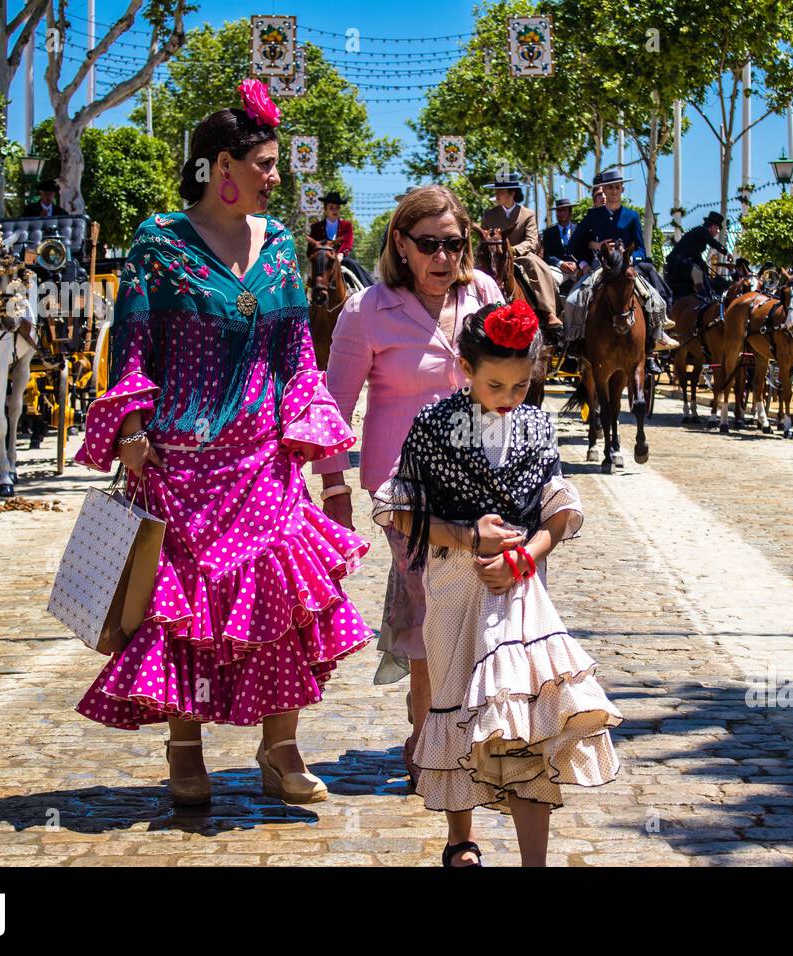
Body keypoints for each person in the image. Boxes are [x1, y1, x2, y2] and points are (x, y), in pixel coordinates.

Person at [71, 78, 372, 807]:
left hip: (265, 460)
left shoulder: (280, 250)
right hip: (179, 459)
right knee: (182, 611)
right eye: (264, 164)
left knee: (281, 603)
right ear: (220, 168)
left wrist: (326, 465)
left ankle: (282, 749)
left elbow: (298, 354)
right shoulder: (159, 243)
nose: (276, 177)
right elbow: (134, 344)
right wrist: (133, 428)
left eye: (274, 164)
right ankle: (185, 751)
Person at [372, 298, 622, 867]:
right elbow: (399, 510)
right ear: (464, 369)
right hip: (454, 587)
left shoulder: (536, 425)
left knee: (527, 714)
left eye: (519, 385)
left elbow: (558, 512)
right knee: (456, 703)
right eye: (494, 385)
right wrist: (466, 536)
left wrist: (524, 559)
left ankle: (534, 855)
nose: (508, 398)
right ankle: (460, 839)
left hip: (520, 592)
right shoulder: (432, 426)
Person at [315, 185, 504, 785]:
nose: (443, 258)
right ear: (401, 243)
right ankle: (434, 733)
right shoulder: (365, 311)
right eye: (429, 245)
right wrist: (335, 490)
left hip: (484, 483)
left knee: (479, 606)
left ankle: (443, 722)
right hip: (405, 493)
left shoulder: (485, 295)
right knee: (436, 607)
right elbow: (332, 409)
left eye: (454, 244)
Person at [564, 169, 678, 371]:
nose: (614, 191)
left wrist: (629, 255)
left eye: (617, 187)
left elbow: (642, 248)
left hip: (625, 268)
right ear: (604, 190)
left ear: (622, 189)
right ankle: (574, 343)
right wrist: (590, 254)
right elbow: (574, 245)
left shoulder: (632, 216)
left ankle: (655, 341)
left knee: (654, 298)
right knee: (573, 300)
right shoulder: (593, 215)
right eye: (609, 187)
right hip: (601, 268)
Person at [479, 173, 562, 336]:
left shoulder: (527, 214)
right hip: (494, 257)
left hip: (521, 256)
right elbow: (484, 239)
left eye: (501, 191)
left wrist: (512, 251)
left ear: (513, 193)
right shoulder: (488, 215)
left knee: (535, 264)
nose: (497, 194)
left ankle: (548, 312)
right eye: (497, 190)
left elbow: (531, 241)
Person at [306, 190, 374, 288]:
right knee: (310, 280)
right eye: (331, 208)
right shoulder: (316, 227)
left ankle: (368, 289)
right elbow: (310, 249)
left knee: (350, 263)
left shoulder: (347, 226)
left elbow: (347, 242)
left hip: (340, 259)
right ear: (325, 210)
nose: (335, 210)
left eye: (337, 208)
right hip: (322, 261)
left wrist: (341, 254)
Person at [665, 211, 727, 301]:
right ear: (712, 226)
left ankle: (709, 292)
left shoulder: (701, 236)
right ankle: (703, 295)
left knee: (702, 269)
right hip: (678, 262)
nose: (717, 232)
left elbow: (696, 254)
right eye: (717, 228)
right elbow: (713, 243)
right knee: (697, 272)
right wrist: (726, 252)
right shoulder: (701, 231)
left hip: (685, 262)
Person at [541, 197, 580, 296]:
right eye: (558, 210)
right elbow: (547, 256)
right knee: (548, 281)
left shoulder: (579, 229)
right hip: (558, 270)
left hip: (577, 268)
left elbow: (585, 251)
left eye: (564, 210)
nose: (561, 213)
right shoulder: (548, 233)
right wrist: (561, 263)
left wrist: (577, 264)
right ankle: (554, 308)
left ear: (570, 212)